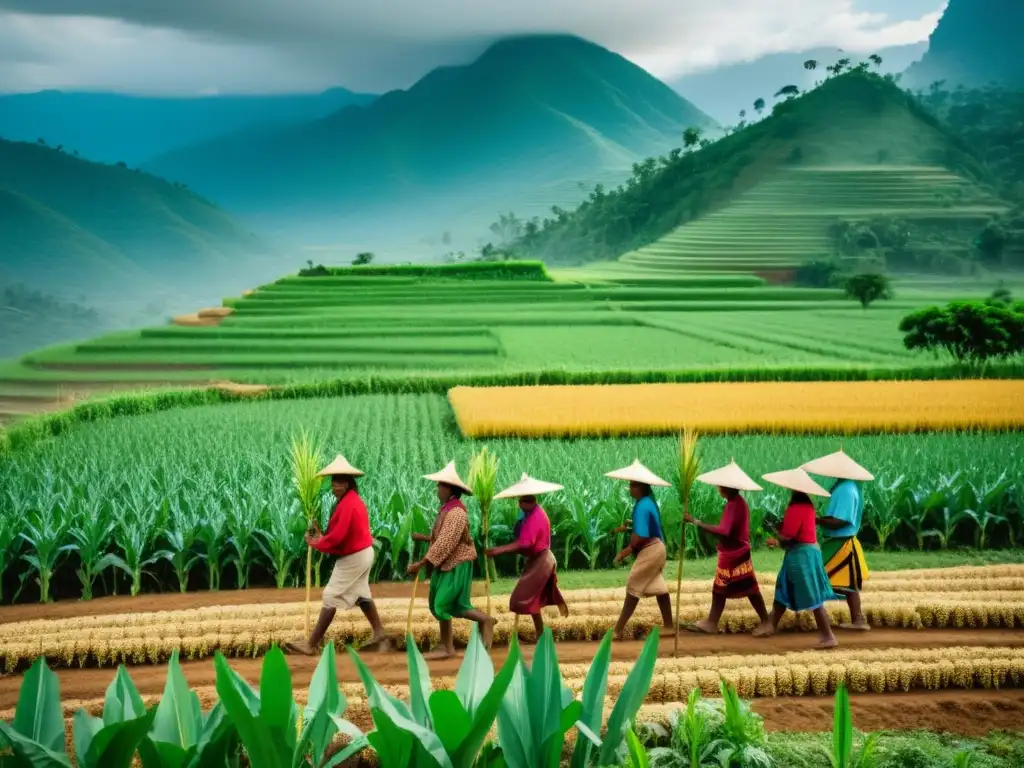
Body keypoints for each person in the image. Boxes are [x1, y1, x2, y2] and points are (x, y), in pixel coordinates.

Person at [286, 454, 388, 655]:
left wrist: (316, 542)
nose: (335, 486)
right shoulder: (349, 501)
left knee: (331, 595)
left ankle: (311, 644)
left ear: (349, 483)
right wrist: (321, 536)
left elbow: (339, 538)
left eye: (340, 482)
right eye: (333, 482)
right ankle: (379, 633)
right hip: (363, 553)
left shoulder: (348, 504)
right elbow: (339, 534)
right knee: (361, 593)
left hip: (355, 557)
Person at [409, 461, 495, 659]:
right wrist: (423, 538)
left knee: (444, 603)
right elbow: (440, 538)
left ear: (450, 490)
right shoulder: (447, 510)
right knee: (441, 602)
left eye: (441, 486)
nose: (437, 489)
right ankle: (446, 646)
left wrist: (421, 564)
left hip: (457, 564)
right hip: (445, 562)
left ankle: (483, 622)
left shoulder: (456, 513)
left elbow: (446, 542)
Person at [755, 467, 840, 649]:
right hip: (806, 553)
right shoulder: (808, 506)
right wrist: (782, 531)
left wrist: (776, 537)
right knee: (782, 588)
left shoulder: (796, 507)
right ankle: (771, 625)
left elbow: (789, 536)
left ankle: (828, 635)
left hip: (802, 556)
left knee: (813, 595)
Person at [682, 460, 771, 635]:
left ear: (728, 487)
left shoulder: (734, 505)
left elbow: (724, 531)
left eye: (720, 485)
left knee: (747, 587)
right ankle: (712, 622)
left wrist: (696, 522)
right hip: (733, 552)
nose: (718, 488)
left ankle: (766, 621)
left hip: (735, 554)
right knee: (722, 588)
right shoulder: (736, 503)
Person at [487, 473, 569, 638]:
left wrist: (498, 550)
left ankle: (539, 635)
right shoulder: (529, 515)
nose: (519, 503)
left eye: (522, 501)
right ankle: (540, 634)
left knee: (521, 598)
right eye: (519, 500)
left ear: (529, 501)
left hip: (542, 560)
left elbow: (525, 543)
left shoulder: (535, 517)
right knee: (534, 599)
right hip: (538, 559)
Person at [802, 449, 874, 631]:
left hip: (841, 542)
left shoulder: (846, 490)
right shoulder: (845, 486)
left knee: (816, 577)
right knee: (846, 583)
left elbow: (839, 521)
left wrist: (816, 519)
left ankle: (821, 623)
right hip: (841, 542)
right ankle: (857, 619)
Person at [605, 460, 675, 641]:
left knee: (633, 584)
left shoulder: (643, 505)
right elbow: (643, 529)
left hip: (650, 549)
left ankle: (618, 629)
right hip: (657, 548)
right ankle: (668, 626)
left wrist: (623, 553)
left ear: (641, 487)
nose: (630, 488)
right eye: (630, 484)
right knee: (658, 587)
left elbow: (639, 538)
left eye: (633, 484)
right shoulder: (647, 502)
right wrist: (629, 528)